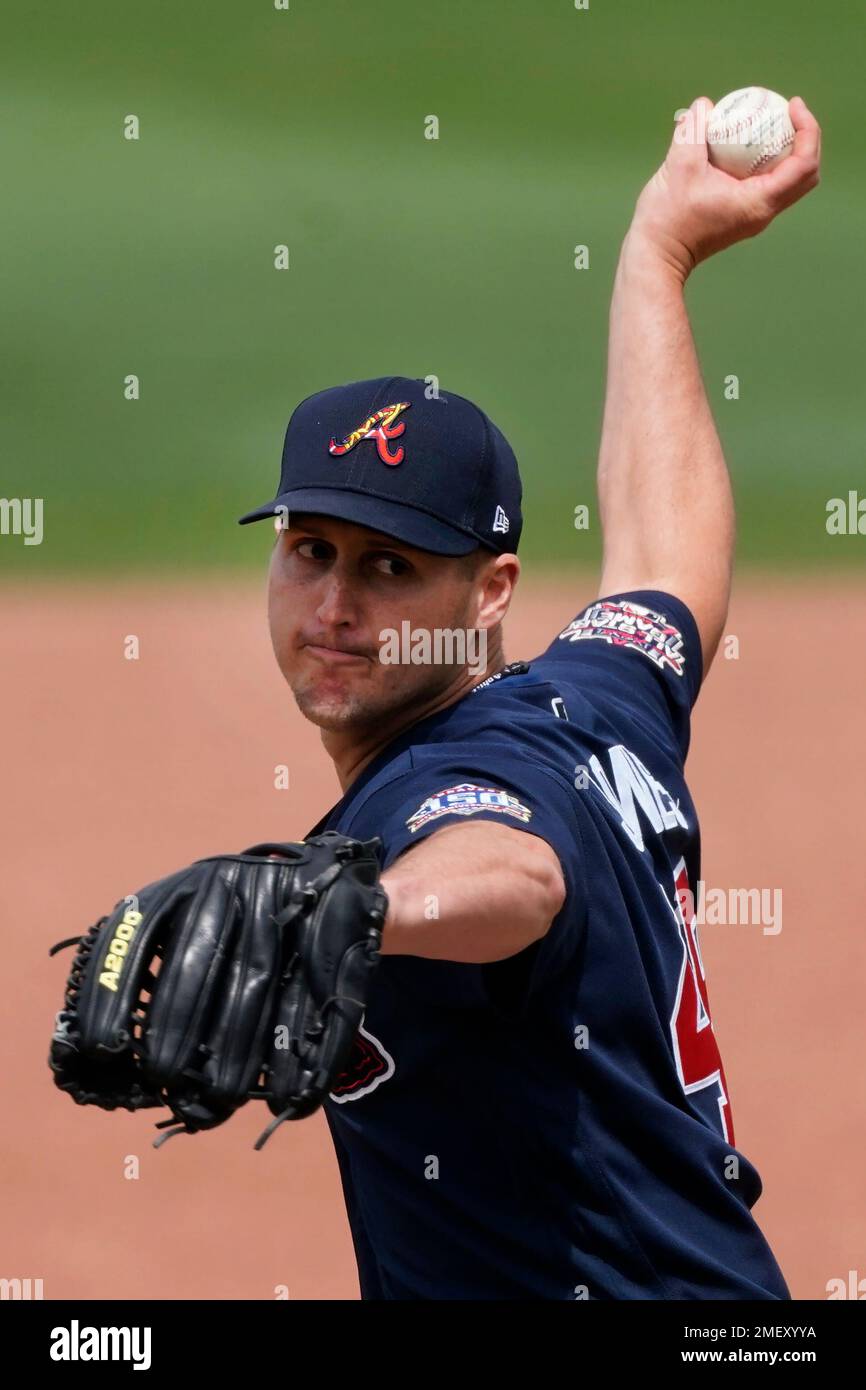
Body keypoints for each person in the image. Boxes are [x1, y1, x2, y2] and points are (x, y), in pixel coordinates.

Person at [239, 96, 821, 1299]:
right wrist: (657, 255)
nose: (335, 606)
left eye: (390, 567)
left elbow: (514, 872)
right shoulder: (596, 694)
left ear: (490, 588)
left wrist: (349, 908)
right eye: (311, 552)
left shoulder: (430, 797)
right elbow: (666, 559)